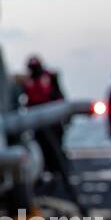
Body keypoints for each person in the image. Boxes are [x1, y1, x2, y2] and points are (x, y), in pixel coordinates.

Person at [19, 55, 71, 190]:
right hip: (37, 121)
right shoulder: (27, 81)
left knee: (56, 148)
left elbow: (60, 96)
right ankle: (46, 175)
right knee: (42, 149)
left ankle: (61, 176)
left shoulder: (50, 78)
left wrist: (65, 116)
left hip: (52, 120)